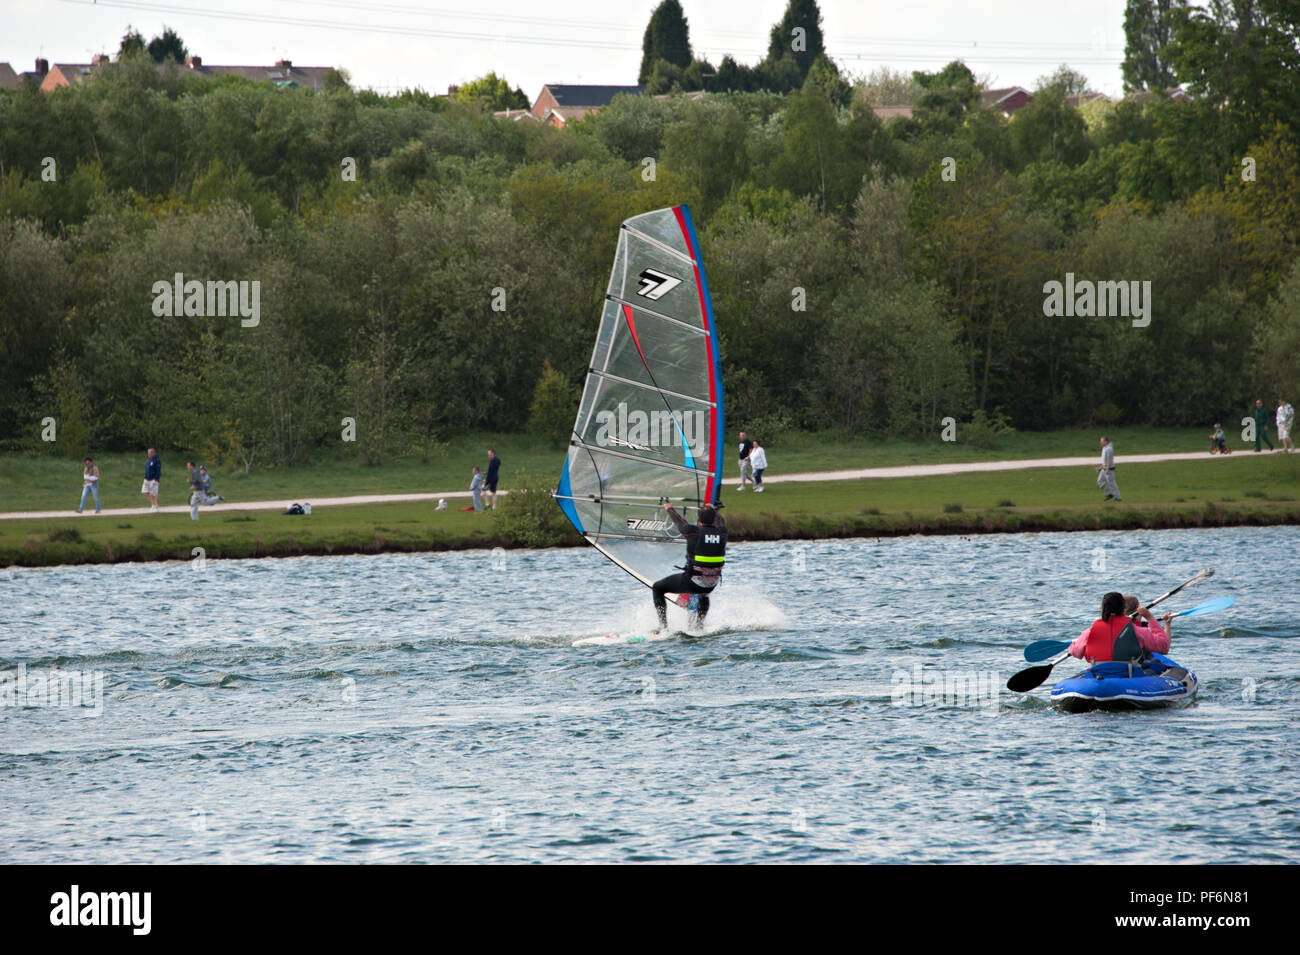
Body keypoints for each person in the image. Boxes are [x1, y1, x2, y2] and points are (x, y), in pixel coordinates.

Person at [651, 502, 726, 632]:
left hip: (692, 582)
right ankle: (699, 626)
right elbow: (720, 521)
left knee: (657, 588)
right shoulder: (723, 532)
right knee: (704, 594)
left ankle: (663, 628)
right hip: (712, 583)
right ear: (714, 519)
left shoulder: (693, 531)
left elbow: (680, 522)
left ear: (699, 521)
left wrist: (670, 509)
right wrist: (713, 510)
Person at [1067, 591, 1171, 663]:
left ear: (1103, 609)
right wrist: (1150, 618)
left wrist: (1074, 644)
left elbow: (1076, 652)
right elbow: (1164, 646)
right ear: (1123, 609)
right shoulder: (1137, 631)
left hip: (1099, 673)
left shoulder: (1089, 632)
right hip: (1128, 674)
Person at [1096, 436, 1121, 501]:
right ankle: (1109, 494)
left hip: (1109, 469)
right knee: (1100, 481)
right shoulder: (1104, 448)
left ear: (1106, 441)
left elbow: (1108, 460)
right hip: (1104, 469)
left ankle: (1118, 497)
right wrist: (1100, 467)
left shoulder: (1109, 449)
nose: (1101, 443)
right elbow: (1104, 460)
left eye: (1102, 441)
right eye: (1100, 441)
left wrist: (1107, 469)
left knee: (1112, 483)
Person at [141, 447, 161, 512]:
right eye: (148, 453)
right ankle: (153, 504)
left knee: (154, 494)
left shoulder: (157, 460)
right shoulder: (148, 460)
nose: (148, 454)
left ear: (153, 453)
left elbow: (158, 471)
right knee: (144, 492)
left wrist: (156, 479)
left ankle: (156, 507)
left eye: (150, 453)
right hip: (146, 479)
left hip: (154, 480)